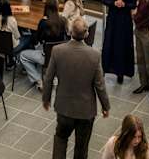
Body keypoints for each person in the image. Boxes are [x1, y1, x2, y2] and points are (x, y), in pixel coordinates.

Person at [42, 17, 110, 159]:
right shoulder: (94, 55)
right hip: (85, 111)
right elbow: (100, 85)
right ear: (86, 34)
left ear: (70, 32)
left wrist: (46, 99)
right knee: (81, 147)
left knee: (60, 139)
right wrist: (105, 106)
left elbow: (48, 78)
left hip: (64, 108)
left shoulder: (57, 51)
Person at [20, 0, 68, 89]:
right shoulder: (63, 20)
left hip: (46, 56)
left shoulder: (43, 23)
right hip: (60, 56)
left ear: (46, 8)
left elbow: (36, 40)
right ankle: (53, 78)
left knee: (23, 55)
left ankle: (38, 80)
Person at [102, 0, 138, 84]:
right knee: (110, 43)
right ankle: (107, 68)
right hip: (113, 18)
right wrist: (114, 3)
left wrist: (124, 4)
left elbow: (134, 3)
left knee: (123, 45)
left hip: (125, 20)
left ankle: (122, 72)